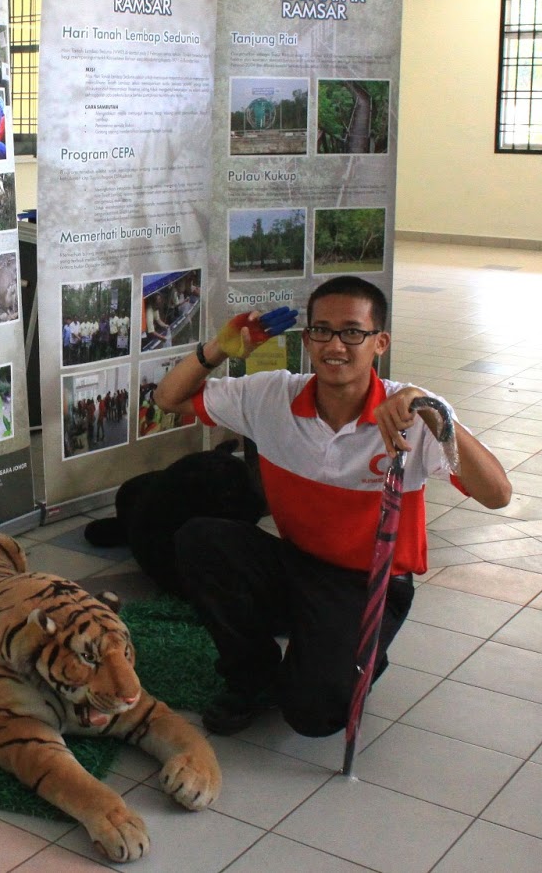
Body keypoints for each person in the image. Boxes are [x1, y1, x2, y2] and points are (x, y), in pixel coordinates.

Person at [152, 275, 512, 737]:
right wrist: (220, 348)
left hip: (369, 584)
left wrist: (432, 409)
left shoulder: (412, 413)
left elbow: (497, 494)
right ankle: (251, 677)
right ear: (307, 339)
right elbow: (168, 399)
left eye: (353, 332)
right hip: (297, 563)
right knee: (202, 539)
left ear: (380, 342)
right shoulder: (273, 396)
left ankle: (353, 654)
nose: (336, 345)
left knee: (313, 716)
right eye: (322, 330)